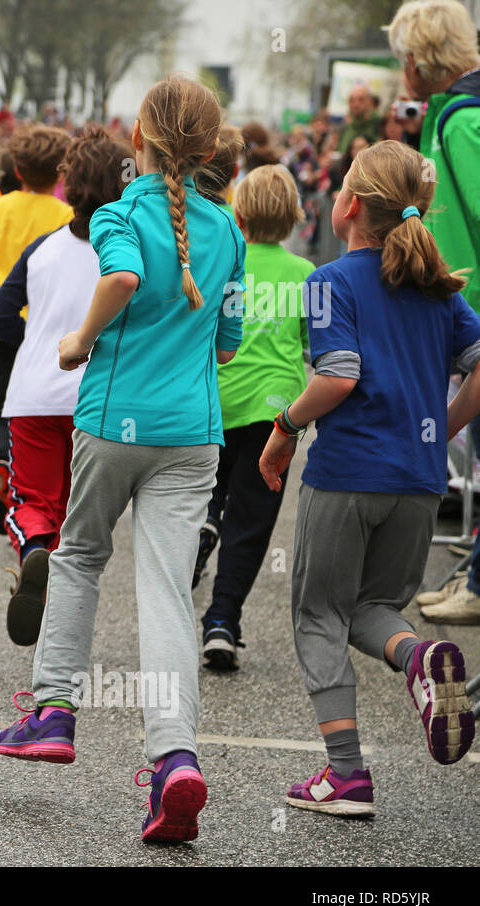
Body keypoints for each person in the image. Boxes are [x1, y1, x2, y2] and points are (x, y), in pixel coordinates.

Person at [0, 77, 244, 845]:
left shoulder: (120, 212)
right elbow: (228, 342)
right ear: (208, 148)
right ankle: (174, 761)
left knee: (79, 556)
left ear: (139, 138)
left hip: (114, 419)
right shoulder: (228, 231)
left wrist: (78, 339)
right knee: (167, 593)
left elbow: (124, 277)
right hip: (193, 432)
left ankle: (54, 711)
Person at [260, 139, 478, 817]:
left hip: (349, 469)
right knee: (373, 610)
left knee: (319, 615)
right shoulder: (437, 291)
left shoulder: (330, 280)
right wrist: (440, 426)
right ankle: (417, 656)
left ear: (348, 204)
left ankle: (346, 775)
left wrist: (283, 431)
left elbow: (338, 375)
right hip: (417, 480)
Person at [0, 125, 129, 647]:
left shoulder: (41, 250)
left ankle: (31, 555)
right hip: (98, 398)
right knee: (74, 512)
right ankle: (59, 618)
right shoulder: (129, 255)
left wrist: (40, 338)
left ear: (68, 186)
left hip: (34, 395)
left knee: (30, 500)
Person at [193, 164, 314, 670]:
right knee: (254, 520)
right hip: (276, 414)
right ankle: (222, 621)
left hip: (216, 401)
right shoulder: (308, 275)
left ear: (237, 211)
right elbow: (317, 347)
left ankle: (205, 522)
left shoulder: (224, 261)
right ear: (293, 217)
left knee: (206, 493)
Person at [387, 0, 480, 622]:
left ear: (420, 60)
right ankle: (474, 571)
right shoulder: (453, 116)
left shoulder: (463, 122)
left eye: (403, 59)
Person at [0, 123, 73, 535]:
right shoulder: (65, 214)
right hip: (44, 327)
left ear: (19, 169)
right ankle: (35, 490)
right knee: (34, 409)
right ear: (62, 173)